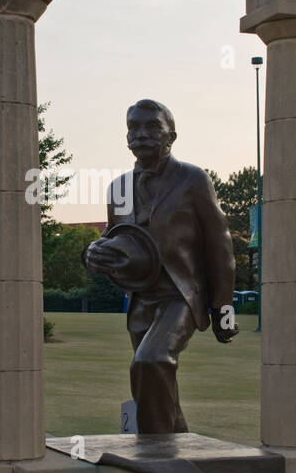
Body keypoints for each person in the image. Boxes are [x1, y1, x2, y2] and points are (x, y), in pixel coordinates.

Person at [83, 99, 237, 434]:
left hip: (180, 294)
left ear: (172, 135)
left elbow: (219, 242)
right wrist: (93, 253)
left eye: (152, 126)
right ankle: (177, 444)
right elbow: (115, 237)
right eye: (134, 127)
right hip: (141, 297)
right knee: (152, 382)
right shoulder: (119, 188)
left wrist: (223, 306)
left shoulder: (193, 179)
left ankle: (154, 455)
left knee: (151, 362)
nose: (141, 134)